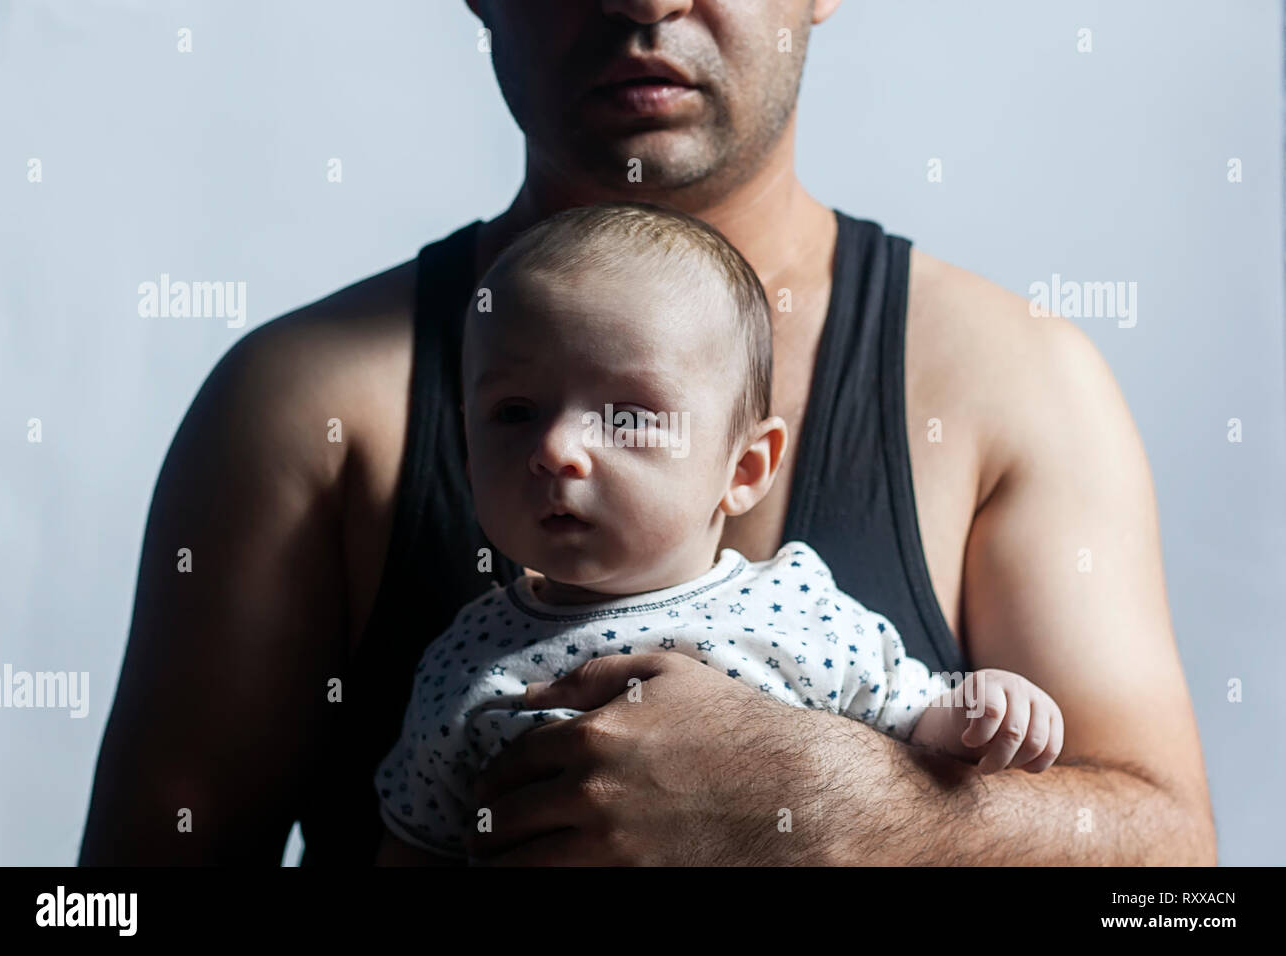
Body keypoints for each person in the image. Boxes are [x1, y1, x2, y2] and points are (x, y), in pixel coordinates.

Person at [79, 0, 1216, 866]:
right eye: (516, 414)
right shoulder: (303, 404)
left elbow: (1178, 890)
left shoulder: (1017, 379)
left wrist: (841, 808)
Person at [375, 201, 1065, 864]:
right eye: (514, 411)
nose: (555, 448)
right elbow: (418, 844)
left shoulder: (797, 610)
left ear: (744, 466)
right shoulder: (466, 656)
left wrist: (984, 709)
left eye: (626, 417)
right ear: (466, 451)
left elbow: (916, 726)